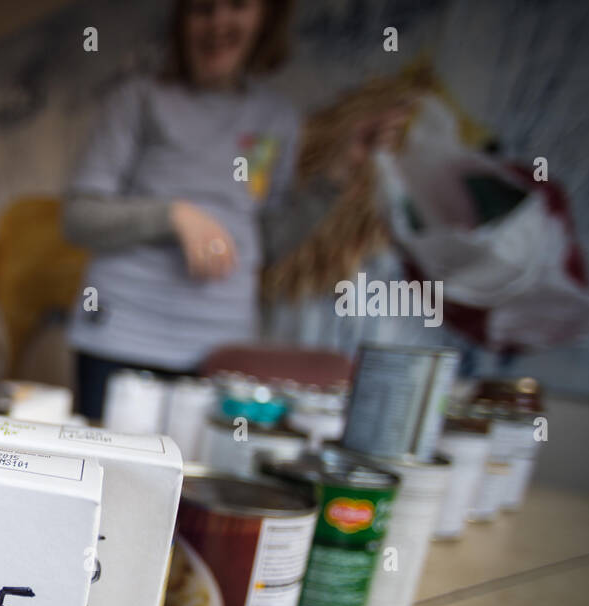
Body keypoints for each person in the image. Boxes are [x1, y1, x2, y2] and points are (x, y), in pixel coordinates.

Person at [63, 0, 404, 419]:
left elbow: (267, 241)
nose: (218, 20)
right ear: (182, 21)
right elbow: (79, 217)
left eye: (237, 5)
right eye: (202, 8)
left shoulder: (274, 119)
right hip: (121, 334)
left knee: (200, 474)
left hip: (220, 344)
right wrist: (173, 216)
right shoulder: (137, 99)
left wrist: (336, 173)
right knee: (110, 470)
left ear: (264, 18)